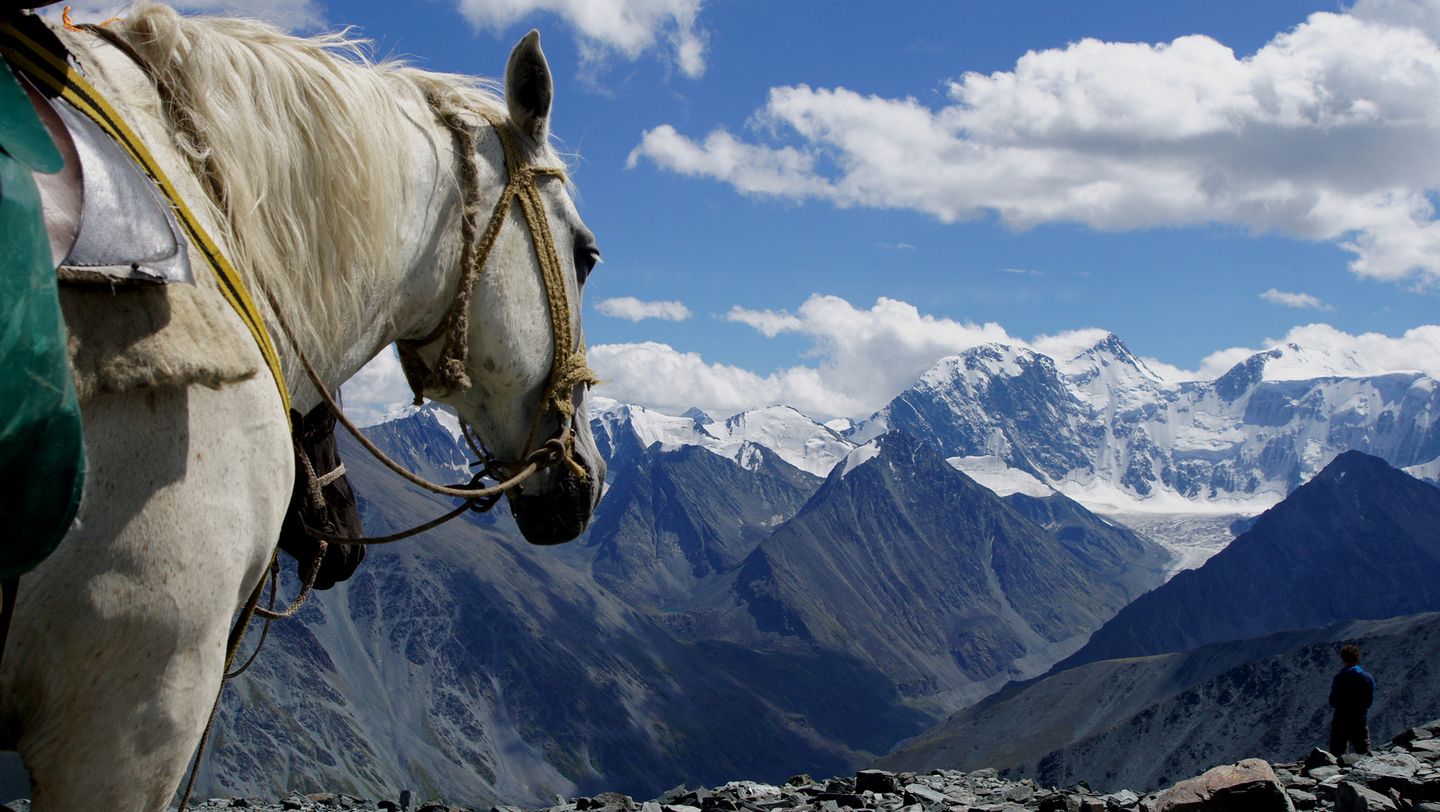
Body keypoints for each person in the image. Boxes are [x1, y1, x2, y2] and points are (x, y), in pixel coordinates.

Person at [1329, 644, 1376, 756]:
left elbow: (1333, 700)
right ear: (1358, 659)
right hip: (1360, 719)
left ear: (1343, 659)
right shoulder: (1367, 678)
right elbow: (1369, 701)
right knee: (1364, 754)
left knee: (1337, 755)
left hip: (1341, 719)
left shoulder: (1339, 678)